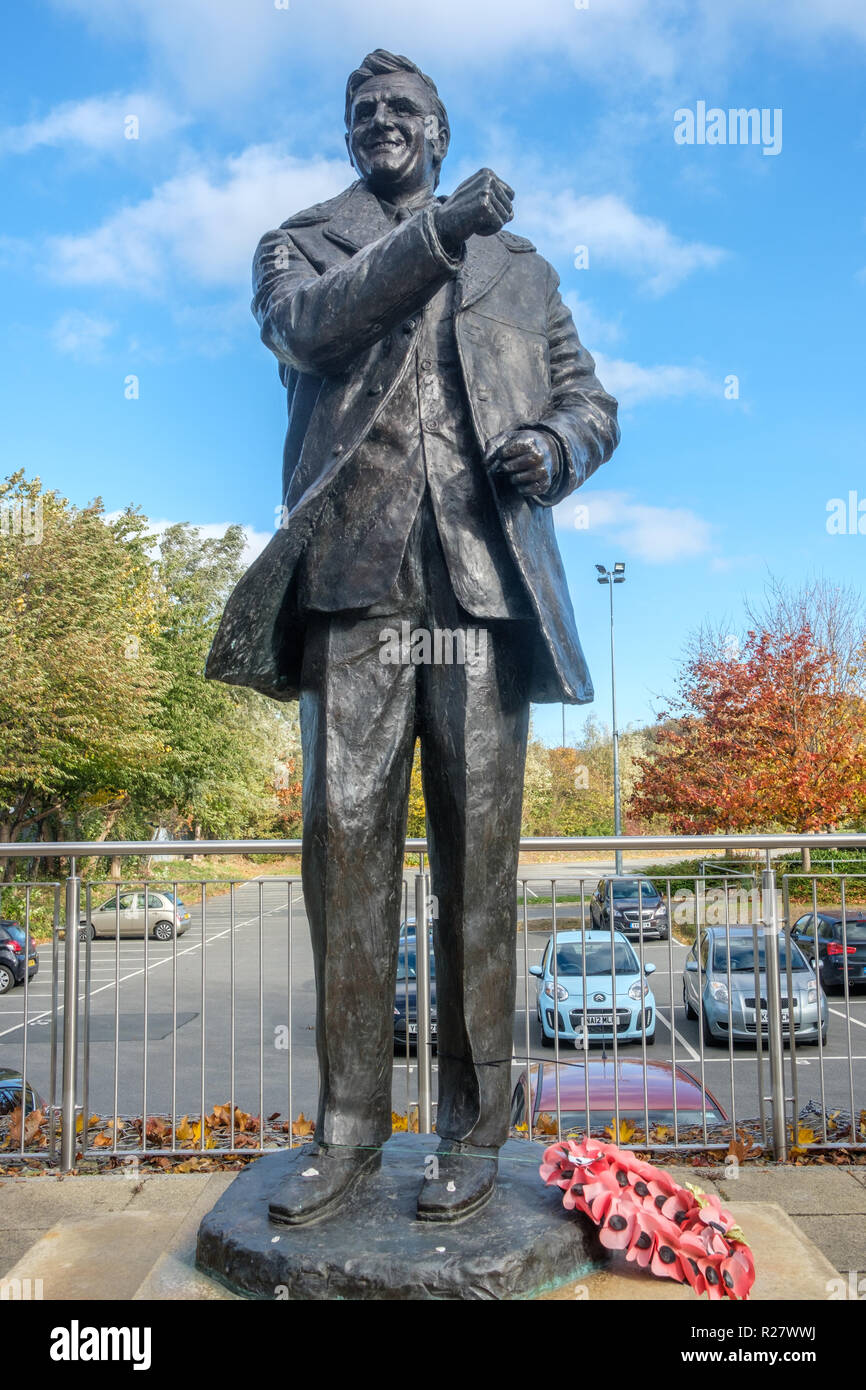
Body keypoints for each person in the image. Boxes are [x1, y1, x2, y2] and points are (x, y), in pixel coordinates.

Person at [206, 49, 619, 1224]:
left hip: (482, 588)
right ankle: (343, 1133)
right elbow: (308, 333)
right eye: (362, 112)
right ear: (349, 138)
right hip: (355, 585)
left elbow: (588, 398)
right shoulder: (301, 242)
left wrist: (553, 445)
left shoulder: (523, 271)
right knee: (345, 861)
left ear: (438, 128)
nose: (380, 122)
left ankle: (477, 1127)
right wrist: (434, 233)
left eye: (402, 109)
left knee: (480, 866)